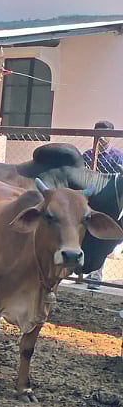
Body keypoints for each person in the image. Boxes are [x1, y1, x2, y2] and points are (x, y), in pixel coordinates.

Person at [80, 121, 123, 288]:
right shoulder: (86, 156)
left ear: (111, 136)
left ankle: (95, 275)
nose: (102, 138)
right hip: (89, 201)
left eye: (105, 135)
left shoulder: (118, 156)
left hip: (109, 204)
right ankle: (80, 271)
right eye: (98, 135)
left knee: (102, 238)